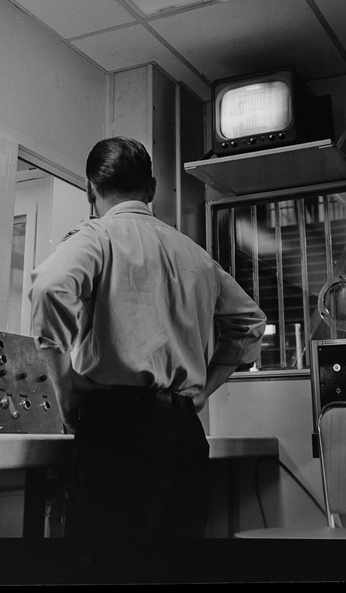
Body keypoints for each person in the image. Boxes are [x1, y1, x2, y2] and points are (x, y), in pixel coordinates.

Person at [28, 137, 266, 539]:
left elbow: (51, 286)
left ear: (90, 190)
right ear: (152, 189)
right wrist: (205, 389)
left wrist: (66, 391)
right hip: (186, 435)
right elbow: (250, 320)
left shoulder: (97, 236)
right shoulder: (194, 253)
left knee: (109, 571)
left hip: (118, 430)